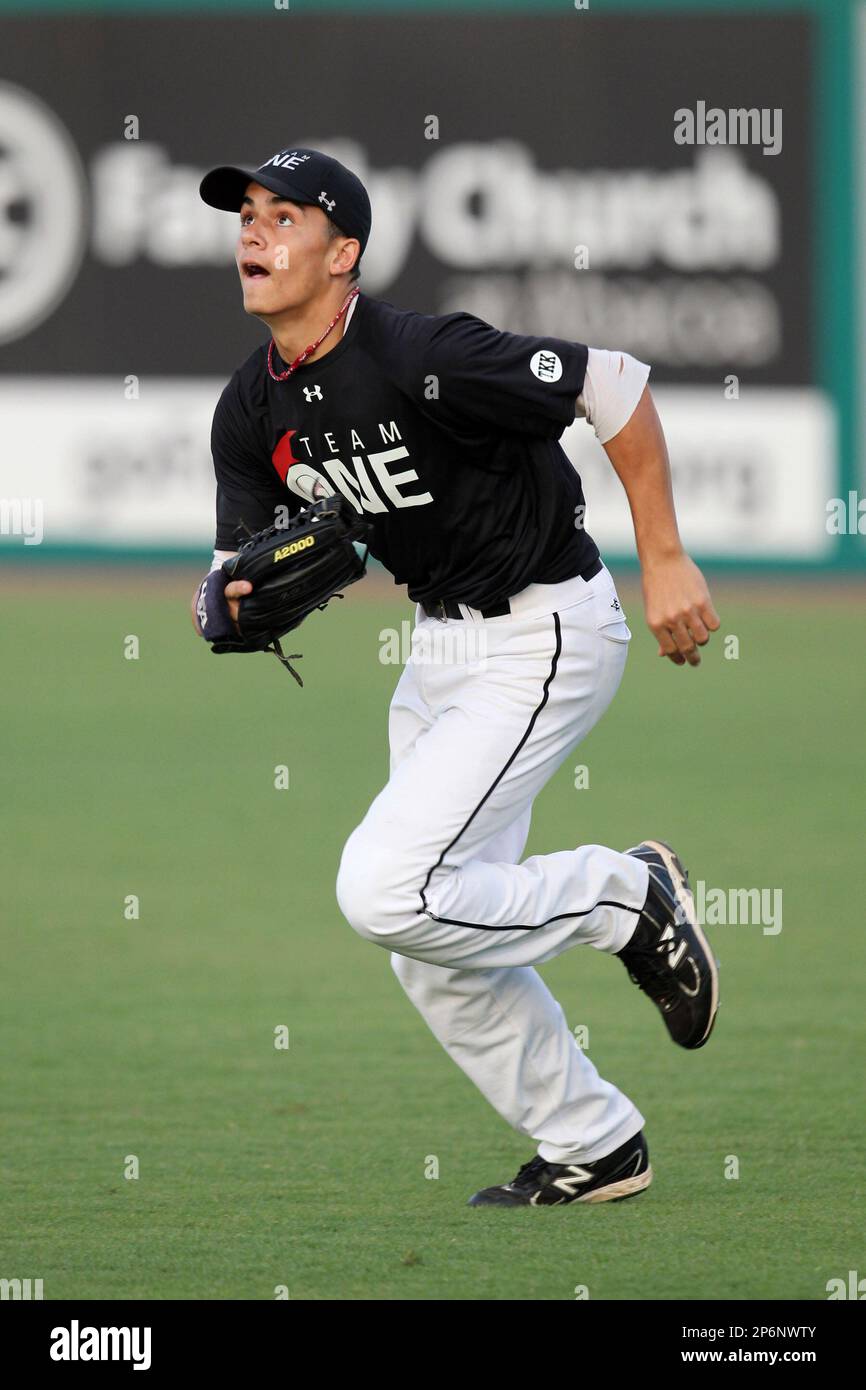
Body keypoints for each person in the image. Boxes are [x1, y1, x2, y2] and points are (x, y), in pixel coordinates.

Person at [193, 146, 720, 1208]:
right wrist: (228, 608)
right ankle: (595, 1141)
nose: (253, 232)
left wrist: (662, 555)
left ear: (343, 253)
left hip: (544, 630)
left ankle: (626, 896)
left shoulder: (422, 354)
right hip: (437, 651)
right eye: (245, 214)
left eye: (283, 216)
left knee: (385, 889)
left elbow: (610, 383)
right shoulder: (250, 410)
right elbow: (228, 580)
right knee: (429, 941)